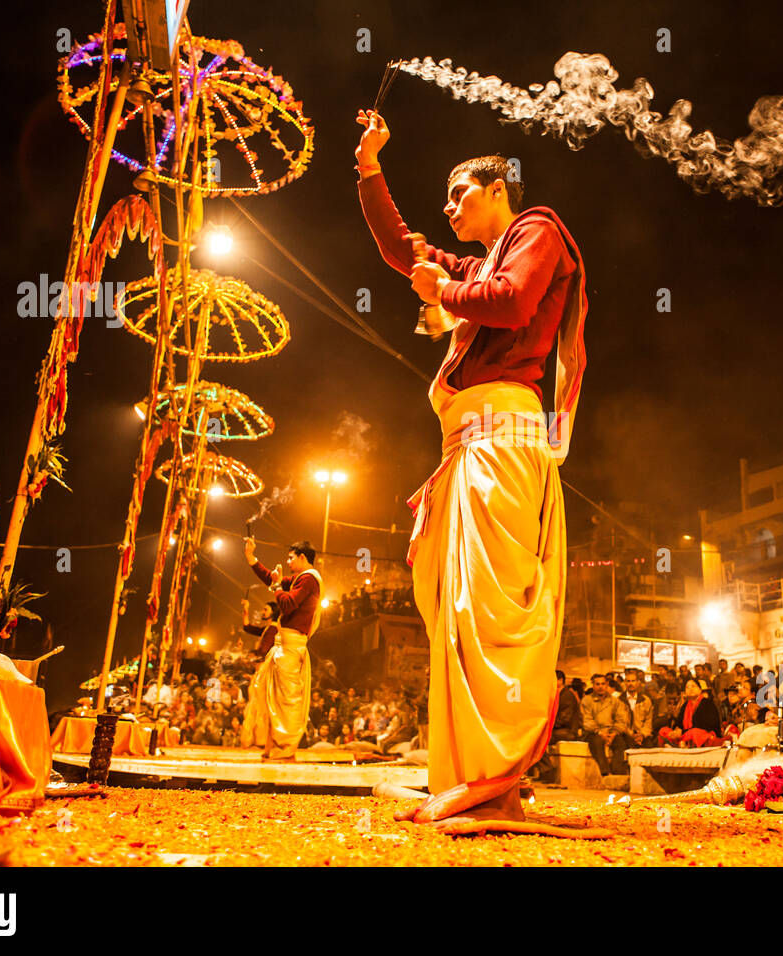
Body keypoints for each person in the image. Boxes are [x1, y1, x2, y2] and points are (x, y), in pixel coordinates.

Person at [356, 109, 588, 826]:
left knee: (488, 615)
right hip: (468, 448)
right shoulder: (478, 264)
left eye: (461, 192)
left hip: (503, 443)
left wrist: (445, 295)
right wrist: (369, 168)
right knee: (456, 616)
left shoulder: (536, 231)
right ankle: (477, 779)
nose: (450, 206)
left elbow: (514, 303)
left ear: (498, 189)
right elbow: (407, 256)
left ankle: (497, 782)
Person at [239, 538, 323, 760]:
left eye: (290, 557)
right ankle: (271, 747)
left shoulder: (308, 580)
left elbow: (286, 604)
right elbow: (272, 579)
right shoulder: (299, 578)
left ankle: (283, 750)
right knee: (265, 694)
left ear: (302, 557)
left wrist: (277, 586)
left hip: (291, 648)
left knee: (286, 702)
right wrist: (251, 558)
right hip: (282, 647)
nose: (287, 562)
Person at [529, 670, 583, 783]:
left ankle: (548, 771)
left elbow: (564, 719)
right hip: (559, 729)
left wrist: (546, 727)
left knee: (539, 740)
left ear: (560, 681)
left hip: (568, 731)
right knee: (535, 739)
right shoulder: (557, 694)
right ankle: (545, 771)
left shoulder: (567, 696)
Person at [581, 674, 630, 776]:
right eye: (597, 684)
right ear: (593, 686)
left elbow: (621, 719)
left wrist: (614, 733)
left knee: (621, 744)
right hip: (593, 732)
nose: (600, 687)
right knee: (597, 742)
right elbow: (587, 720)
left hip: (611, 732)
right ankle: (605, 771)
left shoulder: (615, 701)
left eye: (603, 684)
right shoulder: (586, 700)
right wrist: (599, 732)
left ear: (607, 685)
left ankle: (617, 771)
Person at [658, 678, 721, 747]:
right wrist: (676, 731)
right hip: (686, 734)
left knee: (694, 732)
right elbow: (679, 723)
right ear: (685, 692)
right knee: (663, 730)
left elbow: (706, 726)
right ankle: (678, 743)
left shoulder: (708, 703)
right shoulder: (685, 705)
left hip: (703, 735)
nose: (690, 689)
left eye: (693, 686)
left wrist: (682, 731)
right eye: (687, 687)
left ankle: (682, 743)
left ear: (700, 690)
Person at [619, 668, 655, 748]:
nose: (630, 684)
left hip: (642, 734)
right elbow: (619, 722)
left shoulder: (645, 700)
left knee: (649, 746)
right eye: (628, 681)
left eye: (633, 681)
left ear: (638, 683)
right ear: (625, 683)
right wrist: (631, 734)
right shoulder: (619, 700)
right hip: (625, 734)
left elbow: (648, 721)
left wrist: (642, 734)